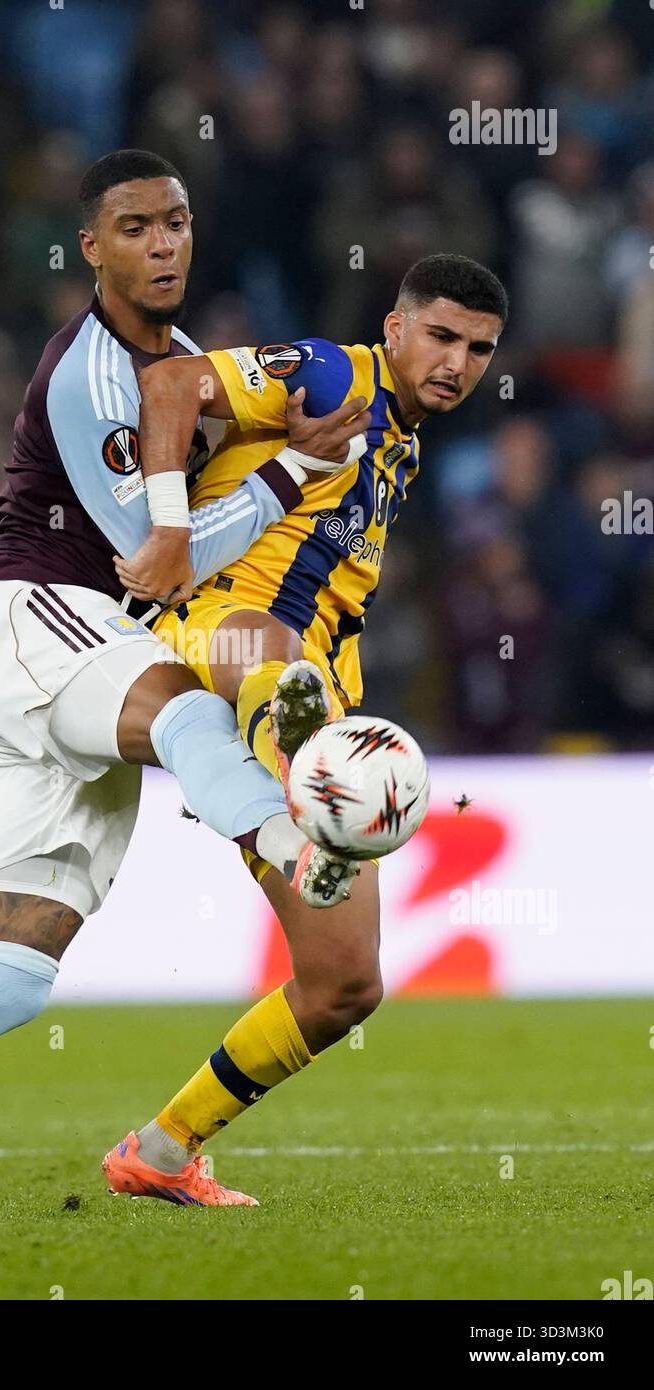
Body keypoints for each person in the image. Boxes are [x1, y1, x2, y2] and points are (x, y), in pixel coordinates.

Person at [0, 149, 369, 1219]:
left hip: (80, 666)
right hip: (38, 620)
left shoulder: (186, 366)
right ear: (91, 248)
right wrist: (290, 473)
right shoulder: (91, 373)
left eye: (176, 221)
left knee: (3, 982)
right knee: (184, 701)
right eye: (135, 226)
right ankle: (289, 844)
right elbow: (159, 553)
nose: (165, 242)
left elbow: (256, 465)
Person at [102, 254, 508, 1206]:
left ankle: (159, 1151)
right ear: (396, 326)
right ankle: (301, 760)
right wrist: (166, 528)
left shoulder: (400, 442)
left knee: (343, 986)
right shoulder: (332, 372)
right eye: (440, 336)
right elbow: (171, 382)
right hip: (221, 631)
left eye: (479, 349)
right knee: (272, 650)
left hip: (313, 683)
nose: (456, 361)